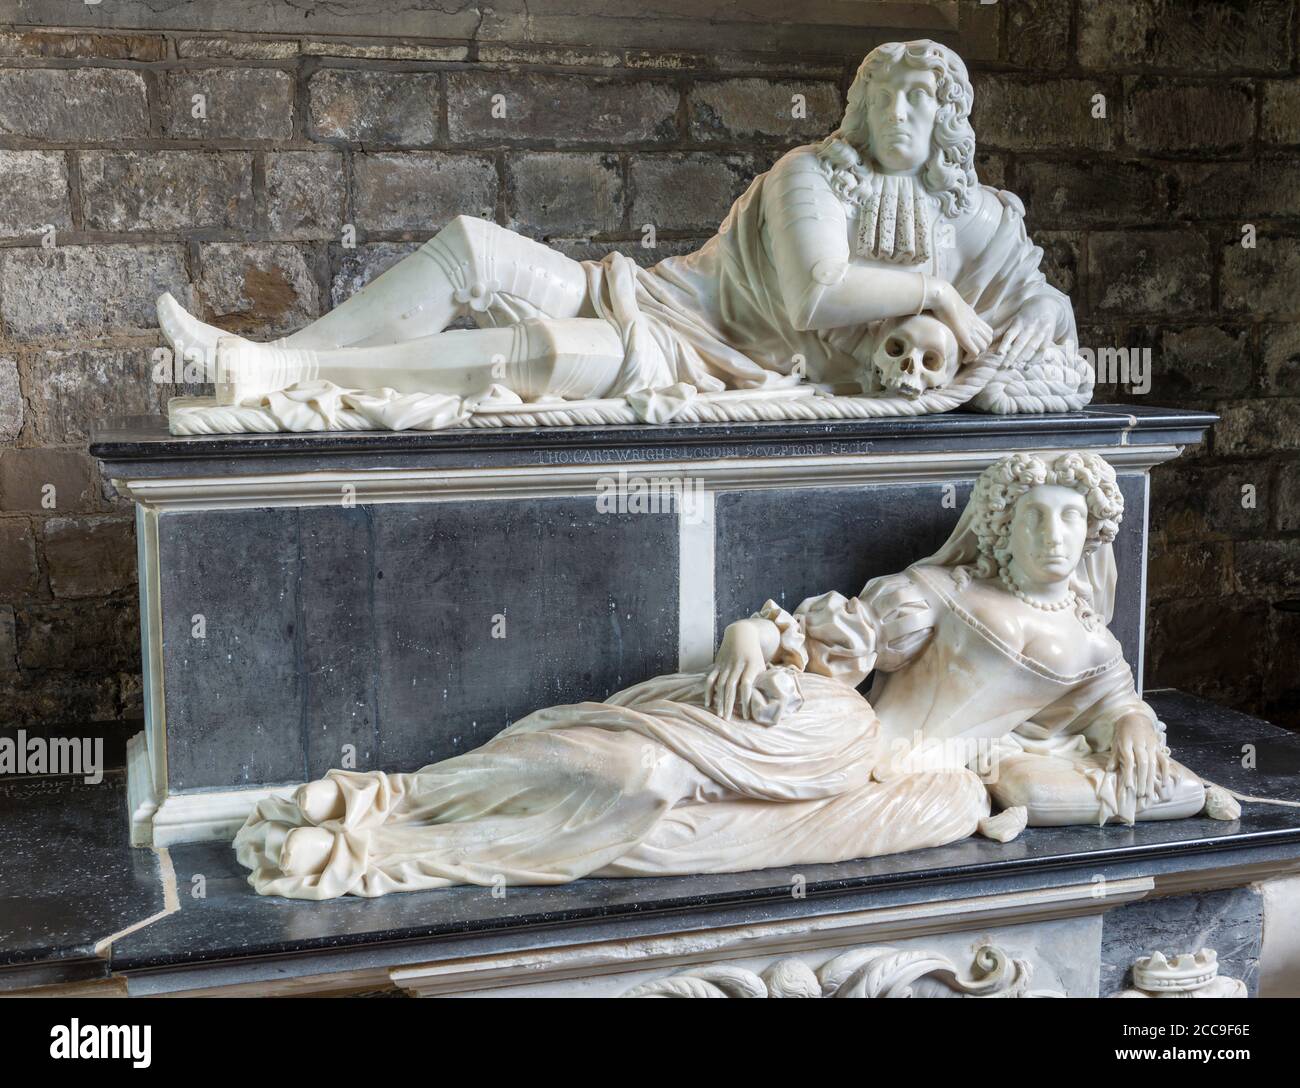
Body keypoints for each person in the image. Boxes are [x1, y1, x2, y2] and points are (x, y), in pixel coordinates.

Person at [233, 452, 1221, 901]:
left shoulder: (1092, 646)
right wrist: (756, 636)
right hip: (835, 732)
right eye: (1038, 513)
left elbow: (1114, 705)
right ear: (1001, 523)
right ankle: (398, 792)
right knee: (641, 768)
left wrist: (1132, 720)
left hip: (923, 802)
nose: (1059, 534)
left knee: (653, 823)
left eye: (1075, 520)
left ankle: (406, 840)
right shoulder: (943, 592)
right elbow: (843, 636)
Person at [157, 39, 1080, 411]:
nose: (899, 112)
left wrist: (1040, 315)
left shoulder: (976, 219)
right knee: (475, 246)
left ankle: (291, 375)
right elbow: (817, 292)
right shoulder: (813, 176)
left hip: (714, 369)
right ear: (859, 103)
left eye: (920, 98)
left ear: (950, 118)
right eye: (883, 94)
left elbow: (1038, 298)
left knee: (549, 358)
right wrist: (934, 293)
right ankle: (282, 366)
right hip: (670, 306)